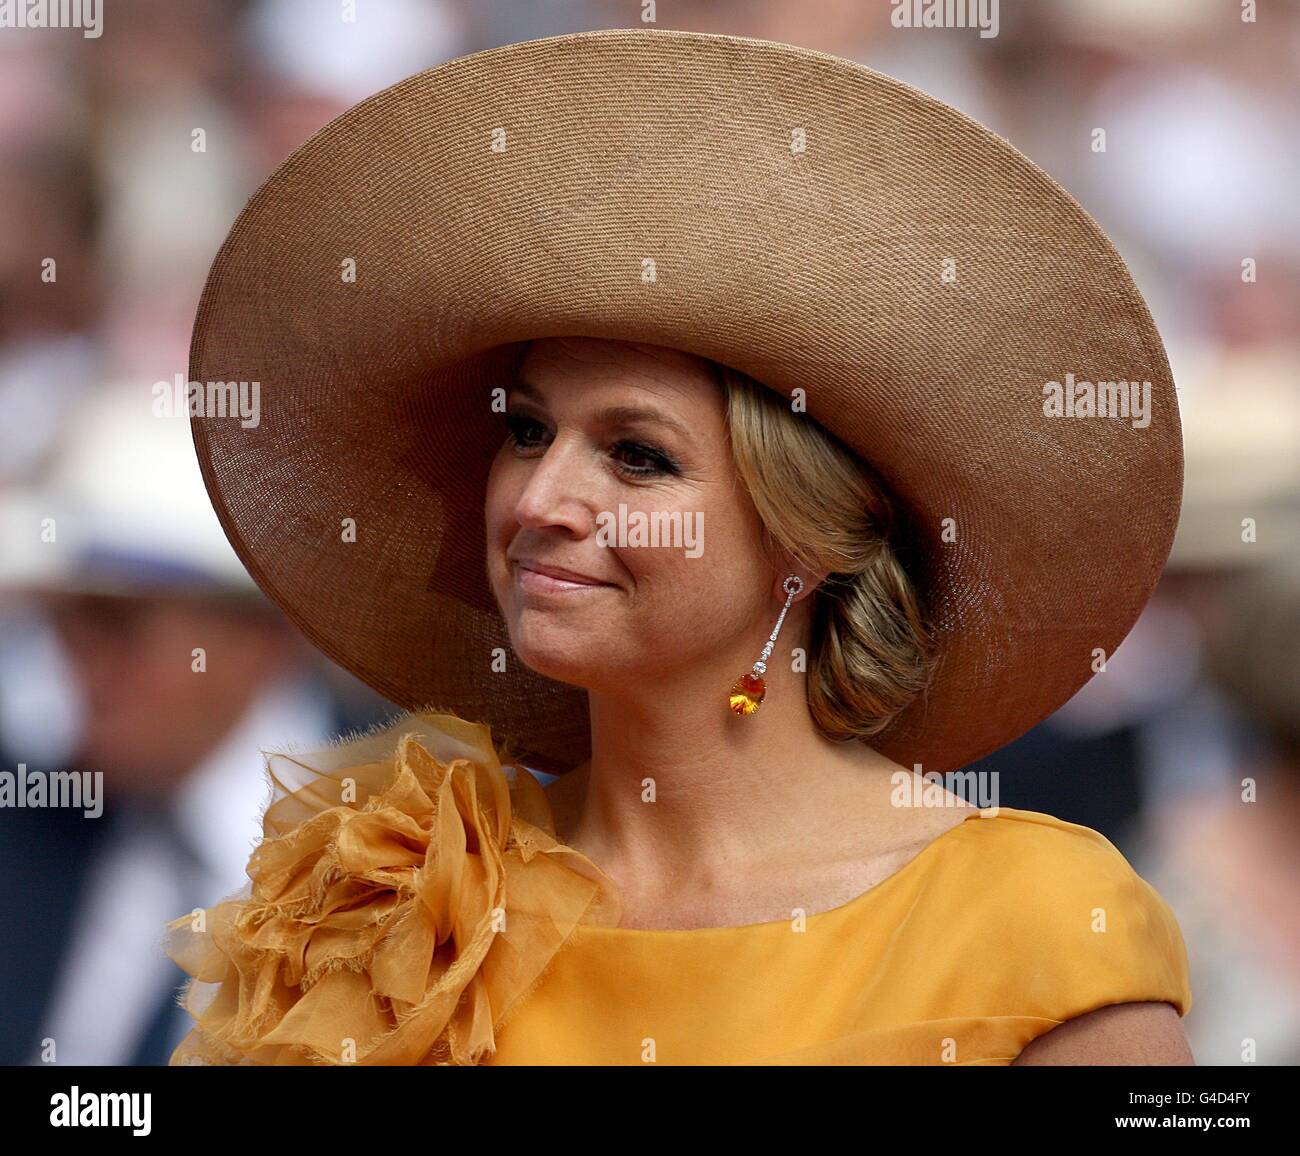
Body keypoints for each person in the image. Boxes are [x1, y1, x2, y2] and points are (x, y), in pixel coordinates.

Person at [161, 27, 1193, 1066]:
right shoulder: (384, 904)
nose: (540, 498)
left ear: (812, 534)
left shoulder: (1039, 924)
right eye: (526, 430)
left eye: (637, 456)